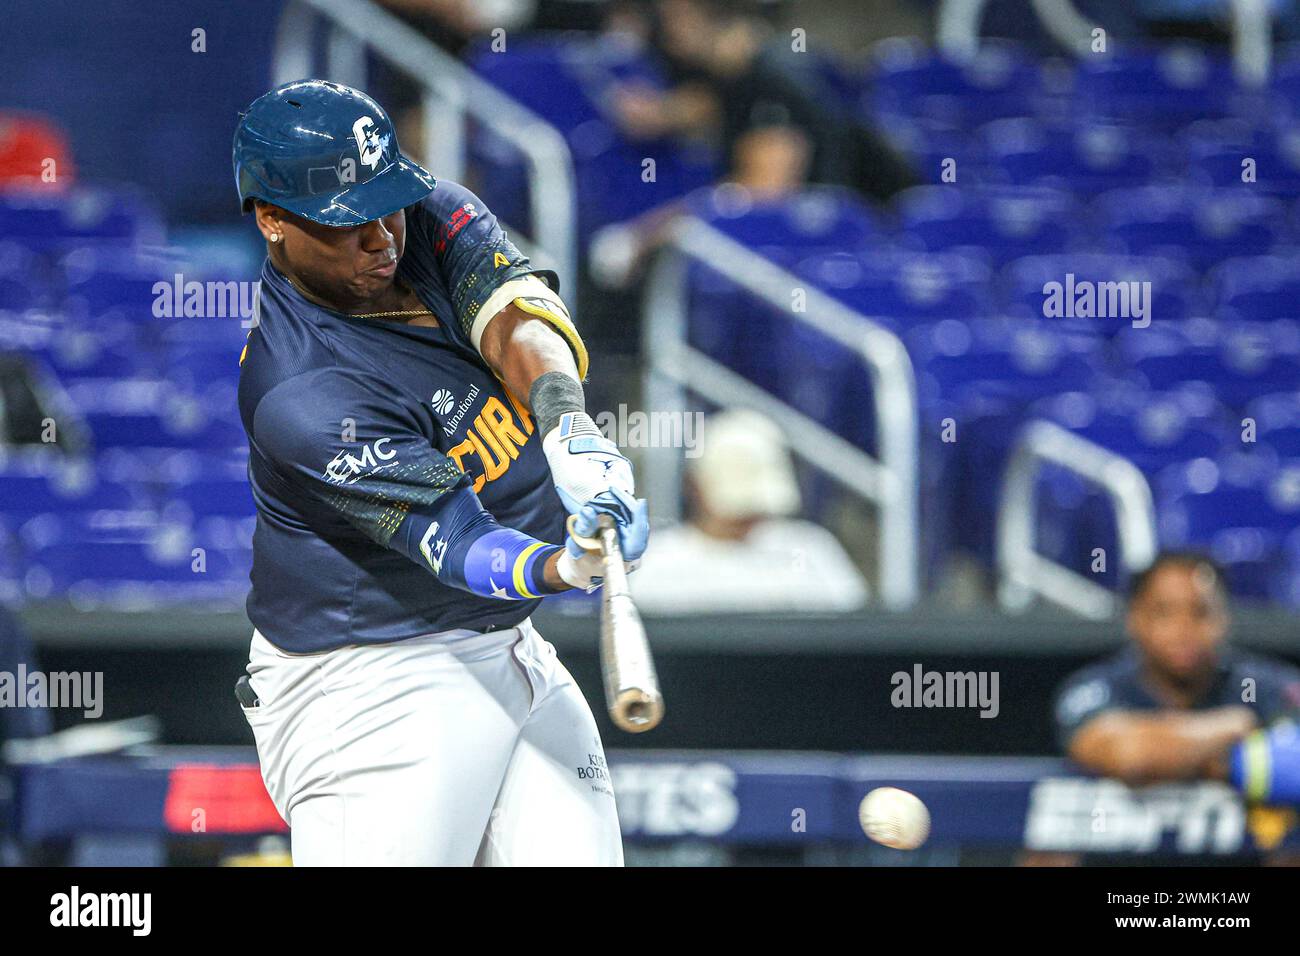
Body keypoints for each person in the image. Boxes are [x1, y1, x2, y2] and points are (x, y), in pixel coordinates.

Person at [231, 80, 649, 866]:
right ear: (273, 220)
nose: (381, 236)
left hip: (504, 644)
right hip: (369, 682)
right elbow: (456, 542)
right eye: (348, 222)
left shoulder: (422, 216)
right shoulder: (302, 390)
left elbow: (514, 315)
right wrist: (565, 563)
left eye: (386, 202)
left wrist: (570, 428)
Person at [1054, 552, 1300, 789]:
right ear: (1135, 618)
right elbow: (1129, 756)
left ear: (1224, 618)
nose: (1183, 630)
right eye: (1164, 613)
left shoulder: (1260, 686)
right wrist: (1234, 728)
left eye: (1201, 612)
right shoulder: (1097, 689)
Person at [630, 408, 867, 614]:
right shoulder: (657, 562)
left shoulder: (812, 550)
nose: (749, 517)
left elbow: (854, 637)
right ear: (694, 486)